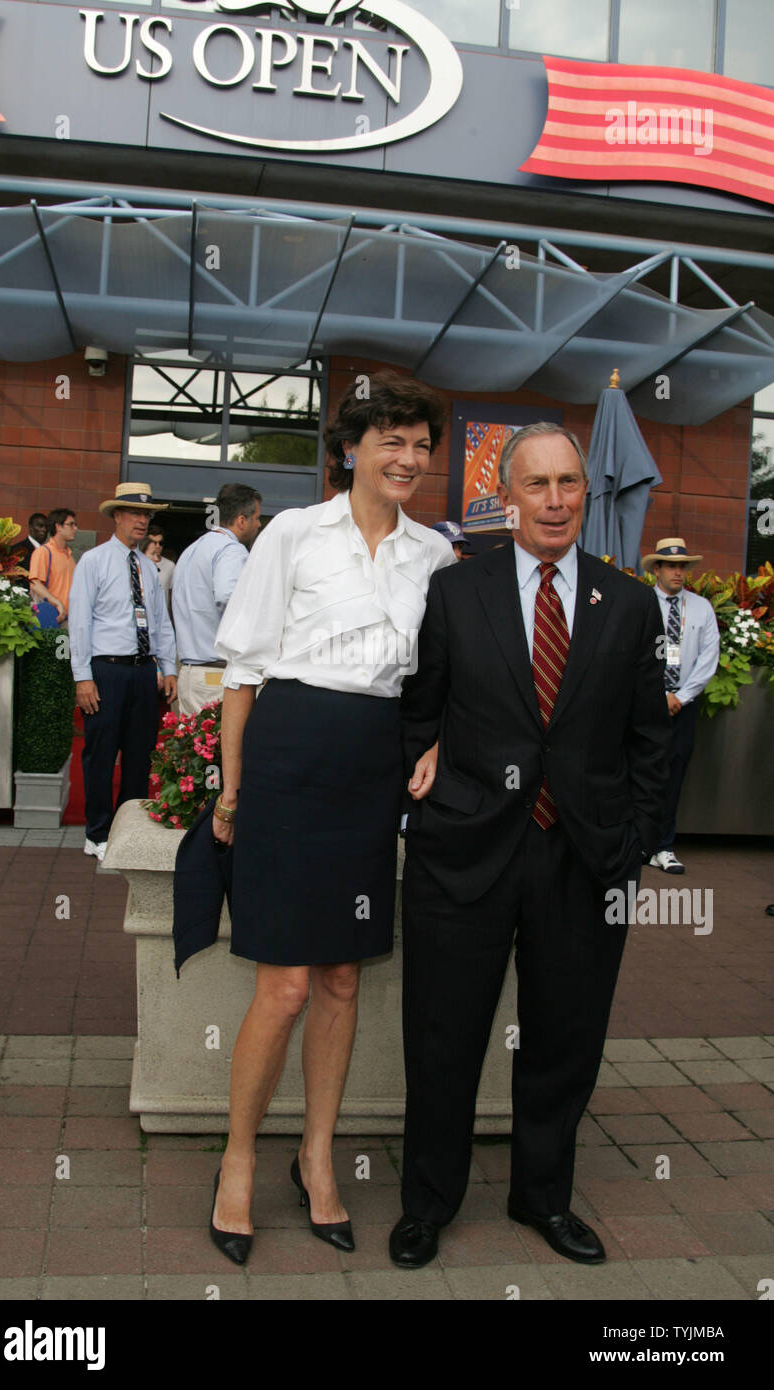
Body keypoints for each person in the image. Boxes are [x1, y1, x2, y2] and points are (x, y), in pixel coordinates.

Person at [390, 421, 670, 1269]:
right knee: (443, 1036)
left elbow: (651, 741)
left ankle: (543, 1199)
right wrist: (421, 765)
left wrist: (629, 844)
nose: (555, 500)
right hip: (463, 852)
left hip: (581, 862)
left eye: (569, 484)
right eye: (537, 485)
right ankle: (428, 1204)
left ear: (587, 493)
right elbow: (415, 710)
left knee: (564, 1040)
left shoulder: (627, 603)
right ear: (504, 499)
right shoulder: (454, 591)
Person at [202, 371, 454, 1266]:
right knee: (287, 983)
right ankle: (238, 1160)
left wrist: (431, 744)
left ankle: (316, 1158)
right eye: (392, 440)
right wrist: (233, 793)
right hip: (291, 752)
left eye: (422, 445)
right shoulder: (293, 536)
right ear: (351, 448)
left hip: (372, 763)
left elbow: (439, 679)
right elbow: (240, 674)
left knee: (343, 978)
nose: (410, 458)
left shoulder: (435, 555)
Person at [68, 483, 177, 862]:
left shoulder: (150, 568)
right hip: (107, 671)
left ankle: (126, 831)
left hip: (143, 672)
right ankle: (97, 834)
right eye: (135, 513)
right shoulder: (94, 562)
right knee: (100, 753)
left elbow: (161, 623)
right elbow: (79, 623)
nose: (143, 521)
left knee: (139, 755)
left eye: (147, 515)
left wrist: (168, 667)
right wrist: (82, 676)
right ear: (117, 516)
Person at [641, 538, 720, 874]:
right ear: (656, 569)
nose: (678, 572)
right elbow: (632, 654)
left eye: (682, 566)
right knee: (639, 773)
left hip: (682, 708)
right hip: (645, 706)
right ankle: (638, 842)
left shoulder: (701, 608)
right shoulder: (640, 603)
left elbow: (708, 658)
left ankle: (663, 846)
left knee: (673, 777)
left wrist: (681, 696)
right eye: (671, 565)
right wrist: (656, 695)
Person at [171, 484, 262, 716]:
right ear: (242, 520)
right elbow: (228, 597)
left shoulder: (192, 550)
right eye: (257, 518)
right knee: (225, 751)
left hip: (190, 672)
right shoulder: (231, 550)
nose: (259, 524)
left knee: (191, 750)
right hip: (216, 675)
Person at [28, 507, 77, 625]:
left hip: (68, 619)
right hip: (51, 617)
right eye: (71, 524)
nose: (75, 528)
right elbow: (35, 583)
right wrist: (56, 602)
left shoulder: (70, 556)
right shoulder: (43, 552)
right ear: (58, 527)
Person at [145, 523, 175, 611]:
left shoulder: (170, 565)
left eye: (160, 543)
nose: (158, 546)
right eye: (154, 543)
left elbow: (172, 594)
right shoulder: (138, 562)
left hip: (162, 616)